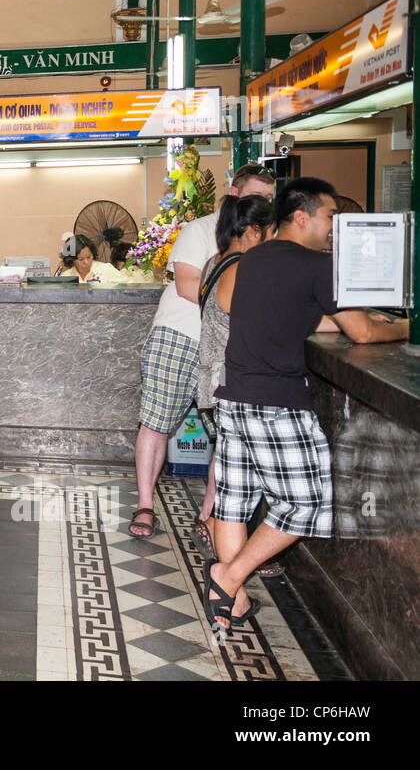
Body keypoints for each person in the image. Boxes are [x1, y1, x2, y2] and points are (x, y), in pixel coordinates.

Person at [205, 178, 409, 633]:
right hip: (276, 404)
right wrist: (406, 328)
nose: (335, 227)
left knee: (235, 504)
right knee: (306, 503)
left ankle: (231, 602)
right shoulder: (319, 266)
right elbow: (364, 333)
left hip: (233, 398)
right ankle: (229, 577)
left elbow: (283, 313)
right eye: (331, 216)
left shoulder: (251, 260)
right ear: (303, 217)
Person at [130, 164, 276, 537]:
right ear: (234, 191)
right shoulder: (200, 230)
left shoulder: (267, 241)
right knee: (156, 422)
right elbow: (187, 286)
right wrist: (246, 307)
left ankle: (208, 517)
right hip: (179, 337)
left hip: (227, 348)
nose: (261, 204)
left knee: (227, 437)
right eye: (254, 196)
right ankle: (145, 506)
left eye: (268, 199)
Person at [193, 194, 277, 565]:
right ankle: (229, 554)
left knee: (234, 473)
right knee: (242, 482)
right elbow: (261, 323)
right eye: (272, 231)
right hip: (231, 384)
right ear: (255, 231)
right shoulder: (244, 268)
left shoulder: (215, 261)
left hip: (212, 382)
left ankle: (231, 560)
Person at [59, 234, 124, 284]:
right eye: (81, 259)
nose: (86, 262)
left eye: (89, 257)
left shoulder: (106, 269)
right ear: (72, 259)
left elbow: (129, 288)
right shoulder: (66, 277)